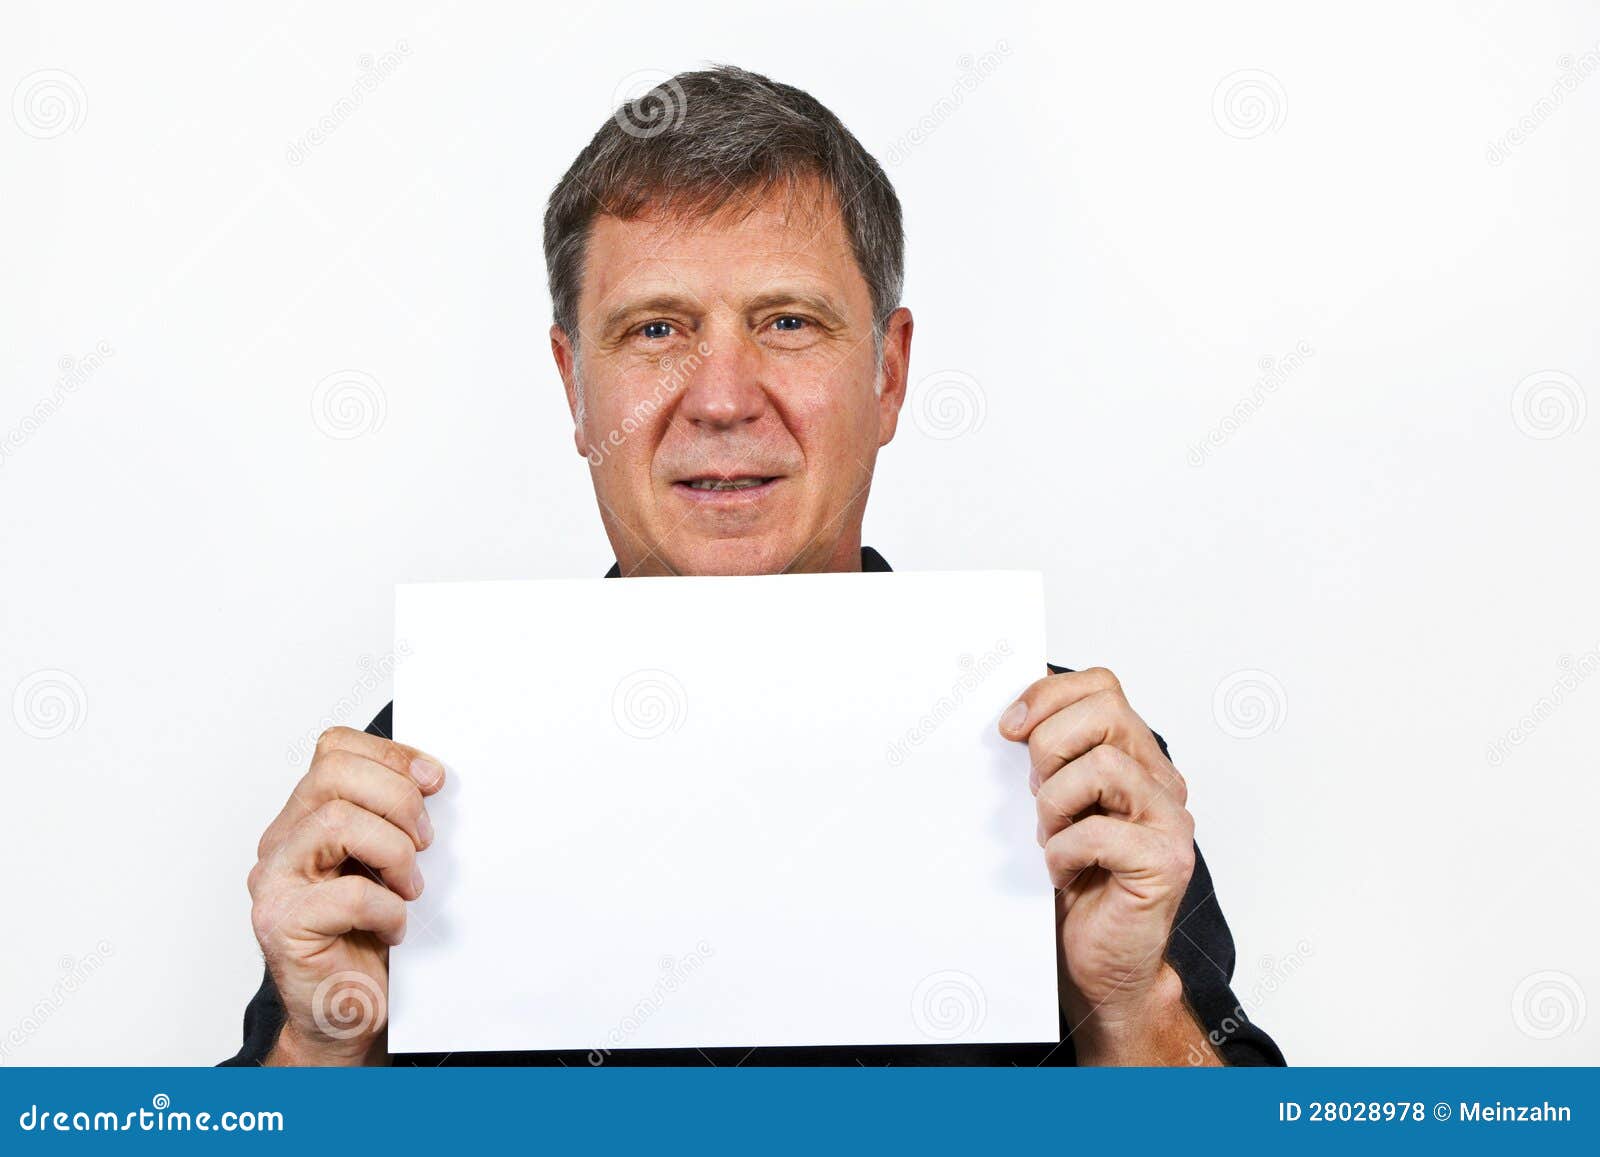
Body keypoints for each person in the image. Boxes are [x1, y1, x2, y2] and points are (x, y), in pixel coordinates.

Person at [226, 65, 1283, 1068]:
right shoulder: (416, 774)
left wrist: (1135, 1009)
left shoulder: (1068, 772)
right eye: (654, 329)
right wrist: (321, 1047)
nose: (722, 395)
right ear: (574, 387)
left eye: (786, 321)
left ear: (889, 373)